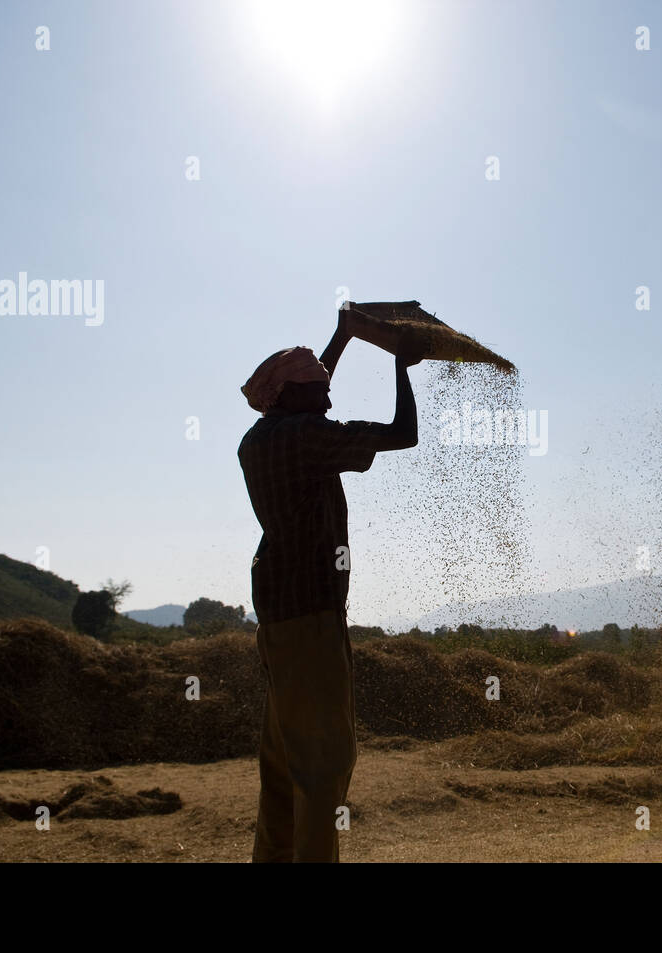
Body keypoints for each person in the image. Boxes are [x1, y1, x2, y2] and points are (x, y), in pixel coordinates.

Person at [238, 309, 424, 862]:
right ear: (291, 397)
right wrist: (402, 366)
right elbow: (403, 435)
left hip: (278, 617)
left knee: (283, 762)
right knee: (324, 763)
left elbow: (308, 398)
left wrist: (343, 337)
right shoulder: (305, 435)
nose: (330, 399)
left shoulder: (262, 436)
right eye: (319, 391)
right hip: (314, 617)